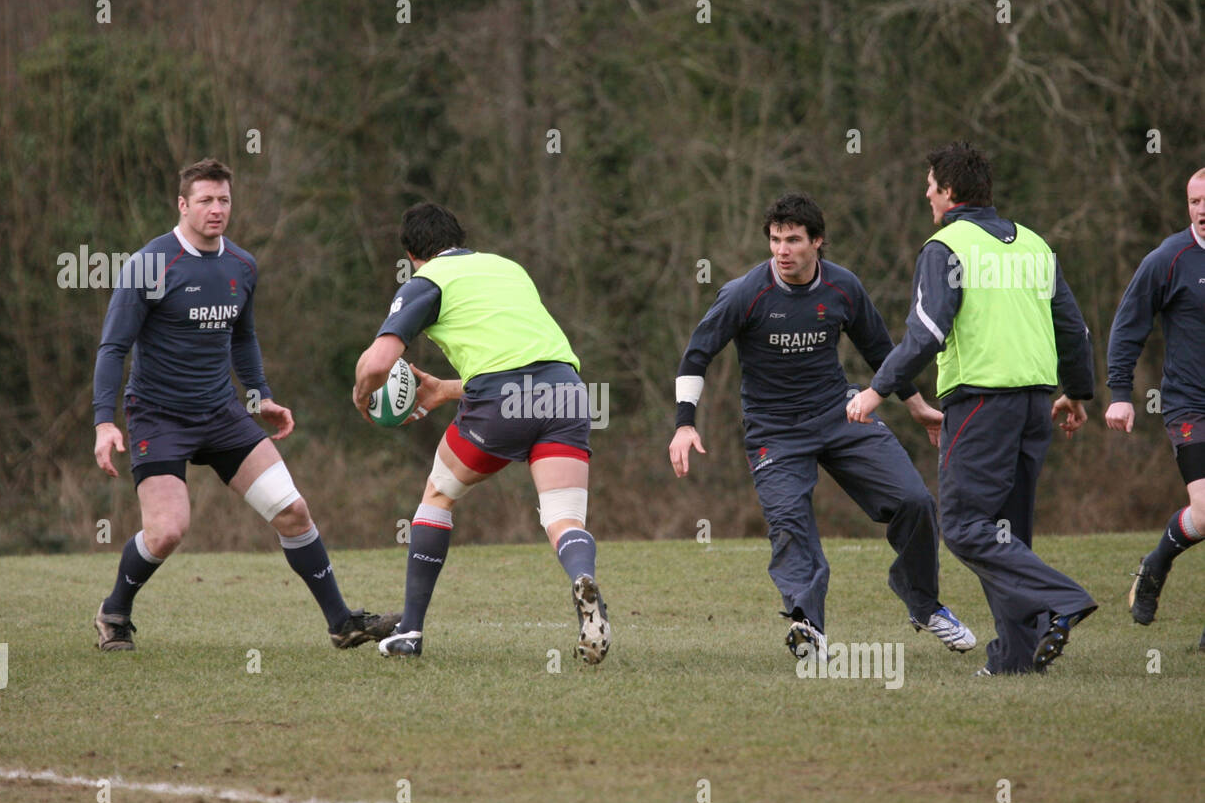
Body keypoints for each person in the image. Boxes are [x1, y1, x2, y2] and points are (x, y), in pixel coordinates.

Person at [91, 158, 395, 652]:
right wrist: (104, 422)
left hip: (221, 413)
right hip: (158, 416)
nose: (217, 210)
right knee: (167, 532)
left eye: (224, 200)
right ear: (183, 205)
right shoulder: (149, 265)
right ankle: (114, 612)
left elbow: (243, 338)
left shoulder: (243, 265)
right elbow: (112, 349)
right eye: (206, 200)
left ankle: (342, 623)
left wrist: (260, 397)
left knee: (293, 510)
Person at [669, 192, 974, 662]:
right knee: (791, 526)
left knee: (914, 501)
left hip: (841, 415)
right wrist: (684, 425)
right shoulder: (744, 293)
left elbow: (879, 349)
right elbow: (696, 355)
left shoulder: (843, 287)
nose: (782, 251)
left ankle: (924, 604)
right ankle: (807, 627)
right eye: (775, 240)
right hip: (774, 432)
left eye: (793, 240)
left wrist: (915, 403)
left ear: (818, 242)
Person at [849, 141, 1097, 674]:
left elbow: (927, 331)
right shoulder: (1034, 245)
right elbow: (1073, 329)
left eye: (931, 189)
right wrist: (1077, 393)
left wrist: (878, 388)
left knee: (963, 528)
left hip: (983, 404)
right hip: (1035, 406)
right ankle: (1014, 658)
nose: (927, 198)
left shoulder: (946, 247)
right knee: (1007, 534)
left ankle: (1063, 598)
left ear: (951, 193)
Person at [351, 202, 609, 662]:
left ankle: (410, 631)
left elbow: (377, 362)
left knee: (437, 495)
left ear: (413, 255)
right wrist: (445, 390)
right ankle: (584, 585)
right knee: (562, 517)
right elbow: (520, 353)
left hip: (499, 399)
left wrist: (362, 392)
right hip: (567, 391)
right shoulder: (508, 267)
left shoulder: (427, 281)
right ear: (460, 237)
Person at [1107, 167, 1205, 650]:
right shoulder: (1170, 259)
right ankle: (1158, 561)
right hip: (1190, 404)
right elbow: (1128, 325)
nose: (1201, 210)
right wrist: (1120, 394)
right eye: (1193, 201)